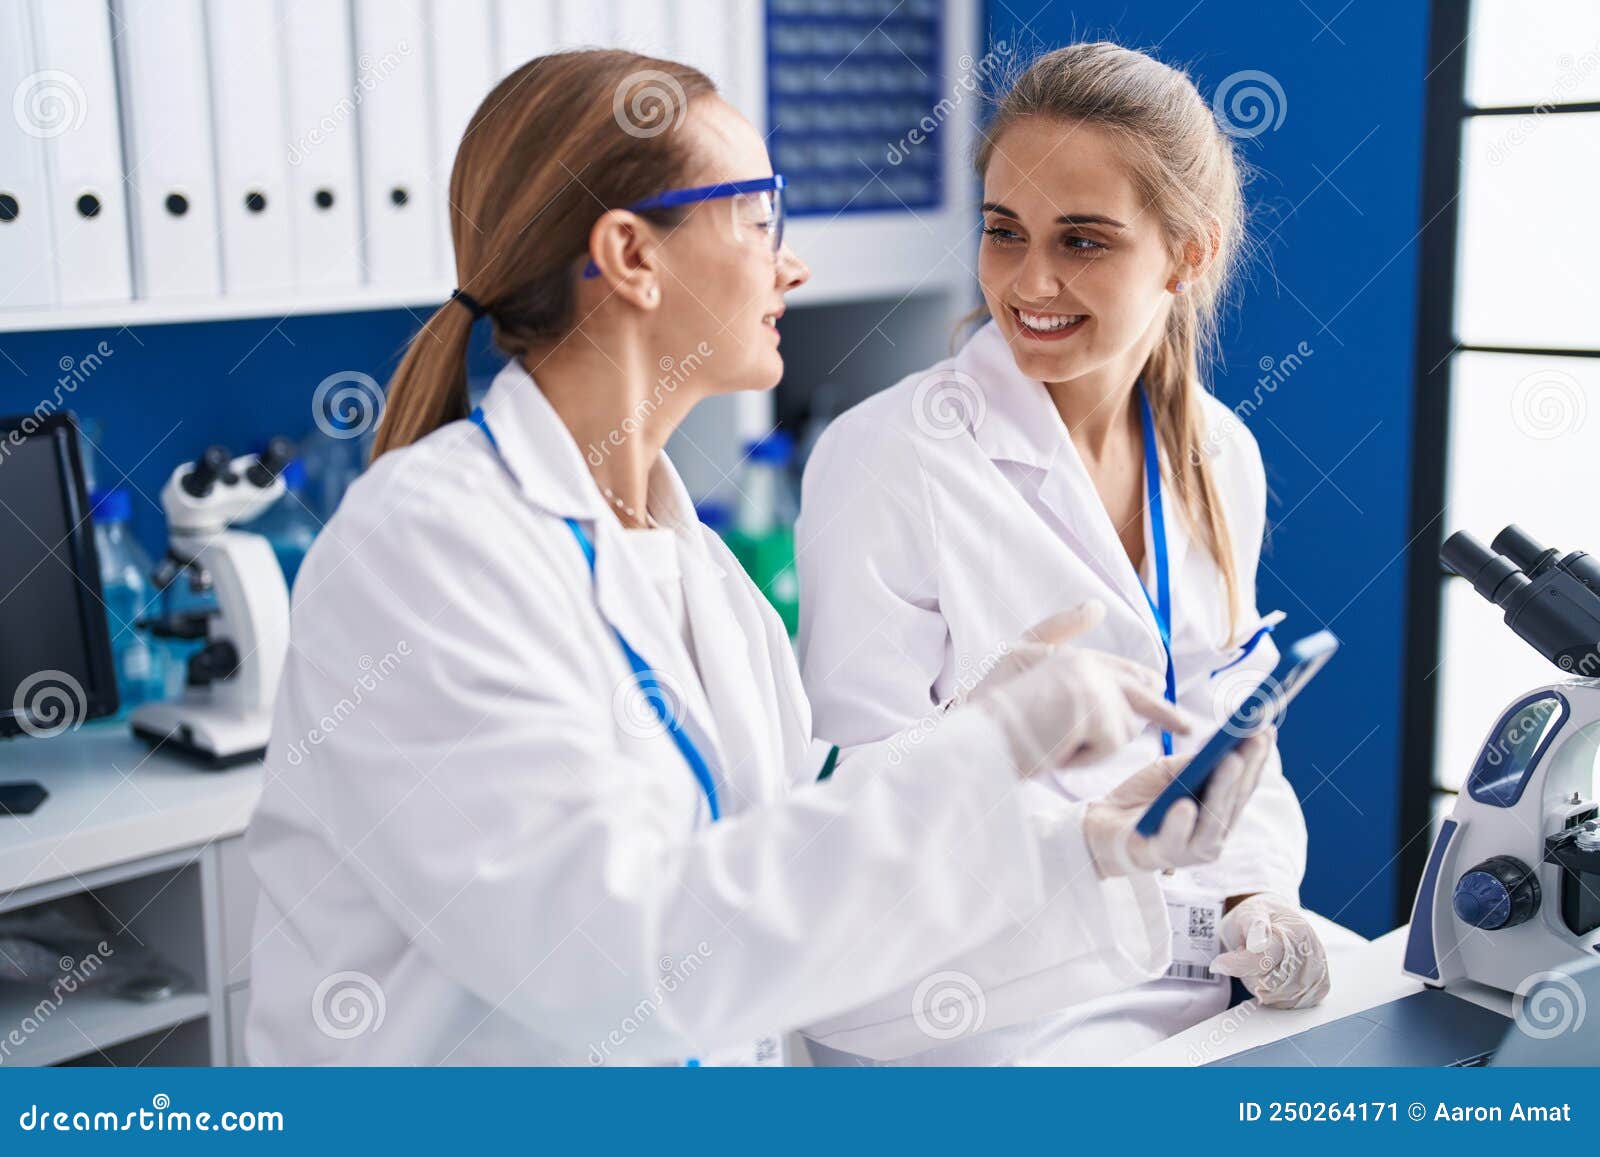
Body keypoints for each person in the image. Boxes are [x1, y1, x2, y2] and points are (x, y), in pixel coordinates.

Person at [244, 48, 1271, 1066]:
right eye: (757, 217)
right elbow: (611, 964)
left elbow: (794, 885)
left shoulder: (705, 580)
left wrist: (1080, 848)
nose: (793, 262)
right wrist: (984, 753)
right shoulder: (429, 546)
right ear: (632, 255)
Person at [797, 42, 1330, 1067]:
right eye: (1003, 232)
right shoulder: (887, 457)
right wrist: (981, 737)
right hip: (979, 1000)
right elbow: (849, 814)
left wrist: (1260, 895)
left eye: (1082, 240)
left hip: (1189, 974)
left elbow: (1226, 734)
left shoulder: (1220, 452)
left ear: (1188, 255)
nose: (1027, 280)